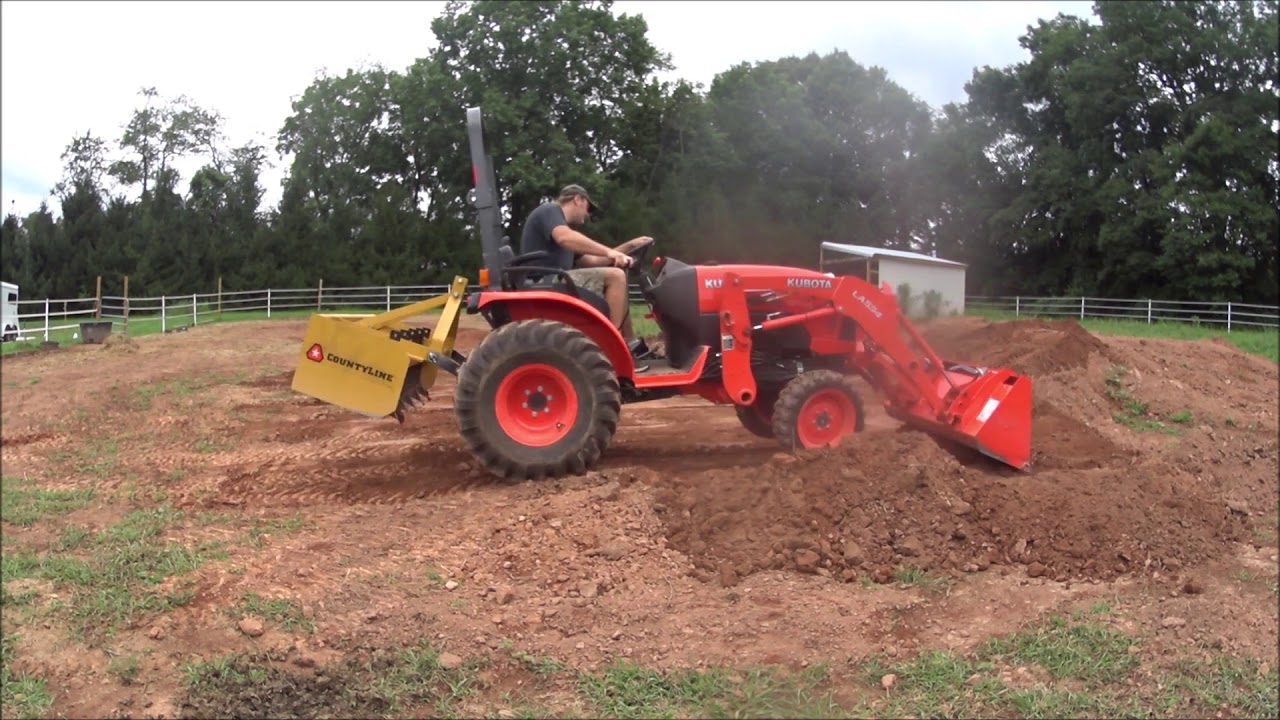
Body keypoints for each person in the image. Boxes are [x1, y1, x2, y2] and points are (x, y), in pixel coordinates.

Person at [519, 184, 652, 350]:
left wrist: (630, 245)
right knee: (616, 276)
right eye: (588, 208)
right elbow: (564, 238)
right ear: (577, 199)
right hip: (545, 282)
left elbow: (594, 262)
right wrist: (611, 253)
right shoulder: (550, 212)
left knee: (617, 275)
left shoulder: (563, 232)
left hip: (555, 280)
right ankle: (613, 346)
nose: (588, 215)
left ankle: (631, 344)